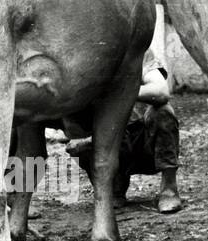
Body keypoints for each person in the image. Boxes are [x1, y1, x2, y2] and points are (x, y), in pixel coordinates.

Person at [68, 59, 183, 214]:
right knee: (79, 142)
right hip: (108, 143)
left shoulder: (138, 52)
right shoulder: (86, 59)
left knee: (163, 112)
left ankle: (169, 188)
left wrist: (120, 92)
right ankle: (114, 185)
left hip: (143, 142)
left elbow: (161, 92)